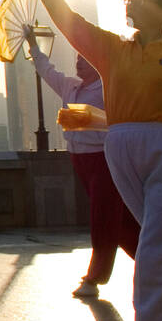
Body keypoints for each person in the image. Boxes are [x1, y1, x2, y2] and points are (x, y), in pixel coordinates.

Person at [22, 0, 162, 321]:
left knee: (153, 248)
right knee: (158, 241)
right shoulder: (112, 49)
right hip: (120, 151)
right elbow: (64, 15)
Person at [22, 25, 139, 297]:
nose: (79, 63)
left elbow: (125, 120)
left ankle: (94, 279)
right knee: (120, 223)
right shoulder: (71, 87)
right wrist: (33, 45)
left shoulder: (110, 87)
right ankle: (161, 265)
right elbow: (46, 70)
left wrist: (91, 120)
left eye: (85, 59)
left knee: (102, 217)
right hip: (80, 161)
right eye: (77, 59)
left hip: (105, 160)